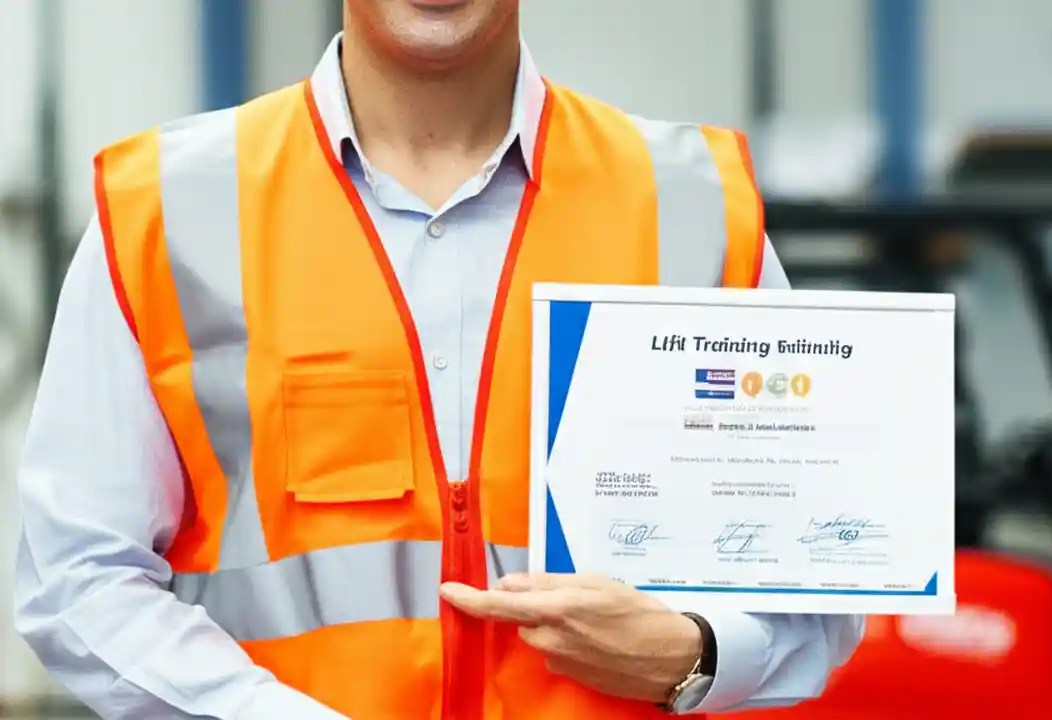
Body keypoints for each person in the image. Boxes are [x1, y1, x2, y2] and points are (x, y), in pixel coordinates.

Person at [13, 1, 864, 718]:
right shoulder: (170, 207)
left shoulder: (691, 203)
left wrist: (694, 656)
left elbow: (813, 586)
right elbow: (79, 576)